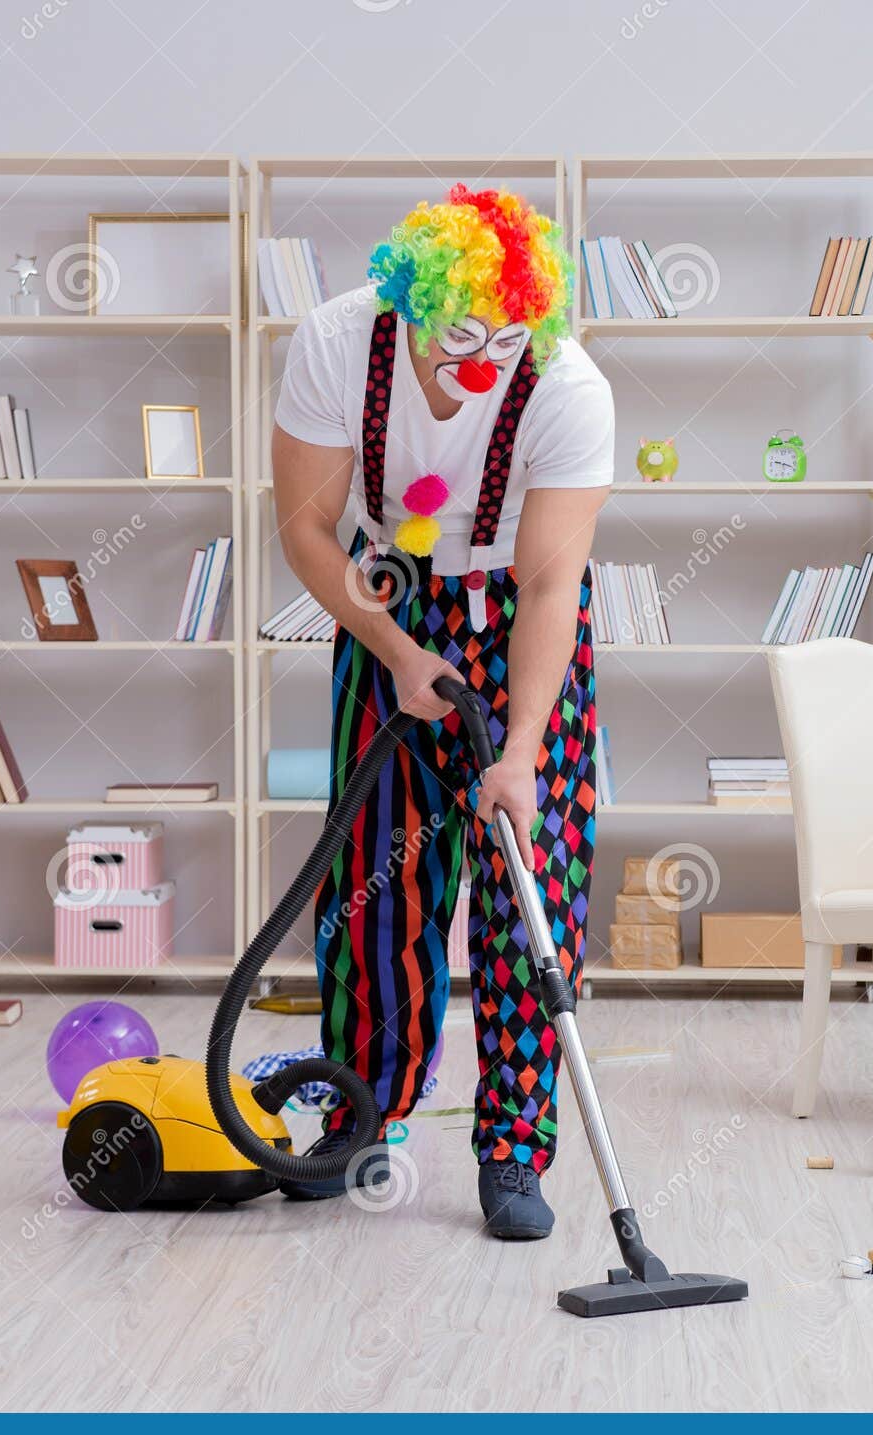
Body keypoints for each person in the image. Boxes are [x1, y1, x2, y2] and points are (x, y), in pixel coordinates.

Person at [271, 185, 613, 1239]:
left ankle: (514, 1151)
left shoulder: (565, 385)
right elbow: (306, 527)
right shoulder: (335, 343)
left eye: (502, 339)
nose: (480, 362)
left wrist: (518, 752)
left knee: (528, 899)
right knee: (377, 886)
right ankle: (360, 1116)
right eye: (458, 336)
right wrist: (398, 652)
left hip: (520, 611)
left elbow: (552, 584)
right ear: (411, 308)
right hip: (390, 598)